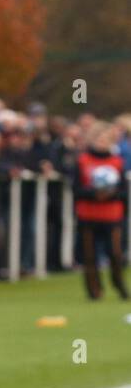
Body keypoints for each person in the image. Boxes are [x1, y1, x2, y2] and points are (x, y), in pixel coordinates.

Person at [73, 121, 128, 300]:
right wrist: (95, 194)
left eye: (106, 139)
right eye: (99, 138)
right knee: (90, 256)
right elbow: (76, 189)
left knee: (115, 254)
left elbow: (123, 191)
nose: (103, 142)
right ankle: (94, 291)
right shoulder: (82, 160)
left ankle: (120, 285)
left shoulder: (117, 162)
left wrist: (111, 194)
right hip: (88, 215)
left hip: (112, 215)